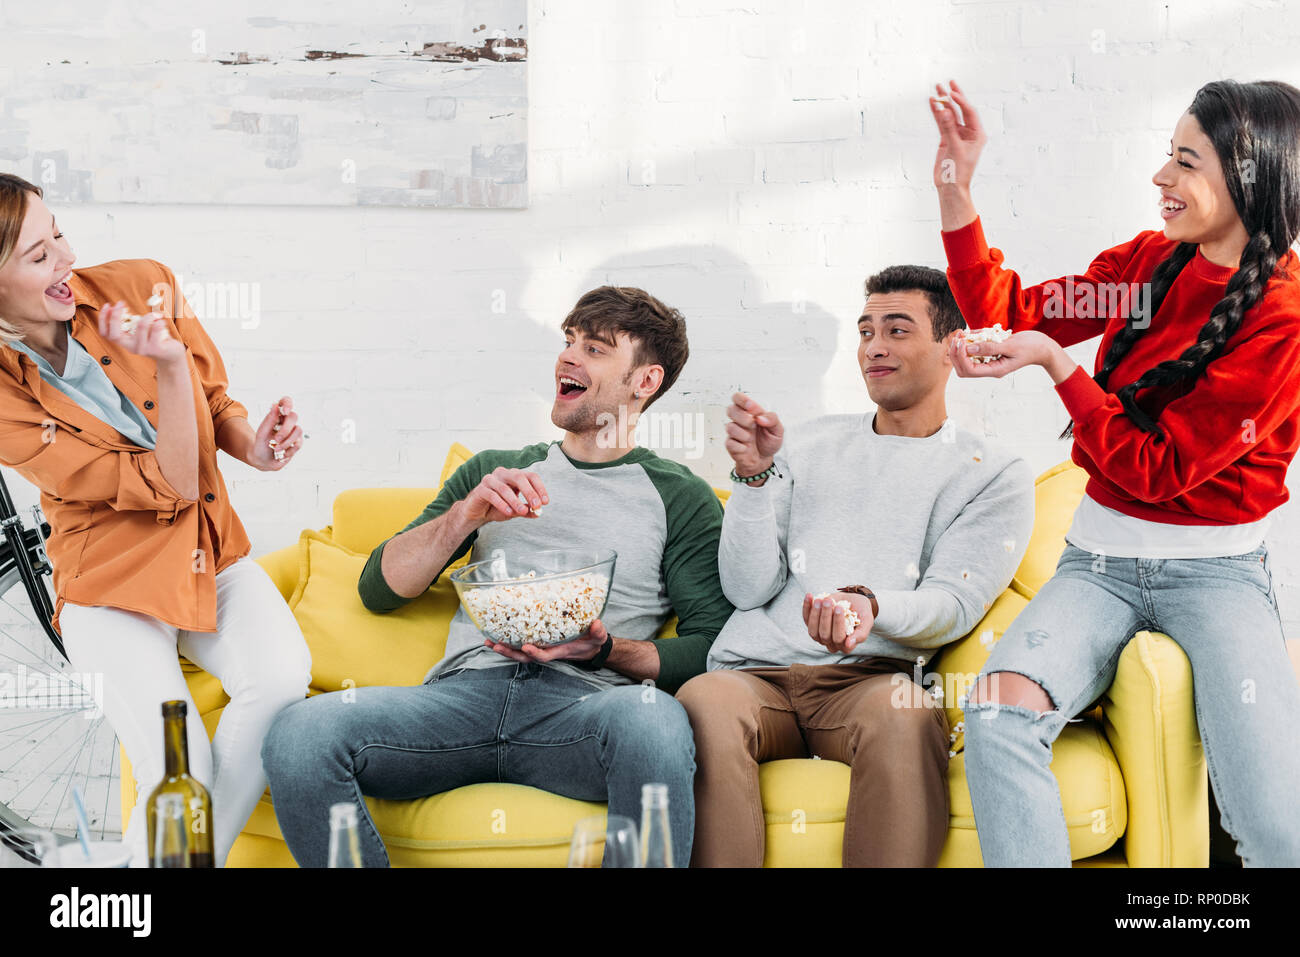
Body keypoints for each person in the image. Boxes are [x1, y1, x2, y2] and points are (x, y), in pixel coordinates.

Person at [930, 77, 1300, 866]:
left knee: (1276, 827)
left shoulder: (1284, 319)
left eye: (1187, 162)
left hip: (1219, 575)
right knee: (997, 716)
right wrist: (957, 186)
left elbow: (1159, 470)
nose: (1162, 177)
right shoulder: (1151, 264)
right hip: (1097, 565)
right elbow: (1013, 309)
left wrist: (1059, 368)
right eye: (1168, 155)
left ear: (1251, 178)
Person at [261, 285, 733, 867]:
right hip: (460, 700)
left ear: (645, 382)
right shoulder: (493, 473)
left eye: (595, 348)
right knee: (300, 734)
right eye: (568, 341)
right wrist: (465, 516)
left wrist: (603, 649)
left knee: (655, 721)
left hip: (585, 710)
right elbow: (379, 591)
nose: (568, 357)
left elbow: (713, 646)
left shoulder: (679, 496)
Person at [0, 173, 313, 867]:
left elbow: (213, 399)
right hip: (108, 582)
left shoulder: (142, 284)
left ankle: (149, 876)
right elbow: (165, 479)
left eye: (59, 234)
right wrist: (166, 366)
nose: (67, 259)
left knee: (282, 678)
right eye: (39, 254)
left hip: (208, 551)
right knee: (182, 761)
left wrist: (252, 446)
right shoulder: (3, 400)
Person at [676, 265, 1035, 867]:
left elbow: (955, 604)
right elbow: (746, 589)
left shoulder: (991, 471)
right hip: (757, 674)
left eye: (897, 330)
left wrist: (871, 607)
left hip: (869, 680)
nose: (875, 347)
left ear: (953, 346)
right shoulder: (804, 444)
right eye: (866, 331)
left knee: (907, 716)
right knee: (703, 701)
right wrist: (753, 480)